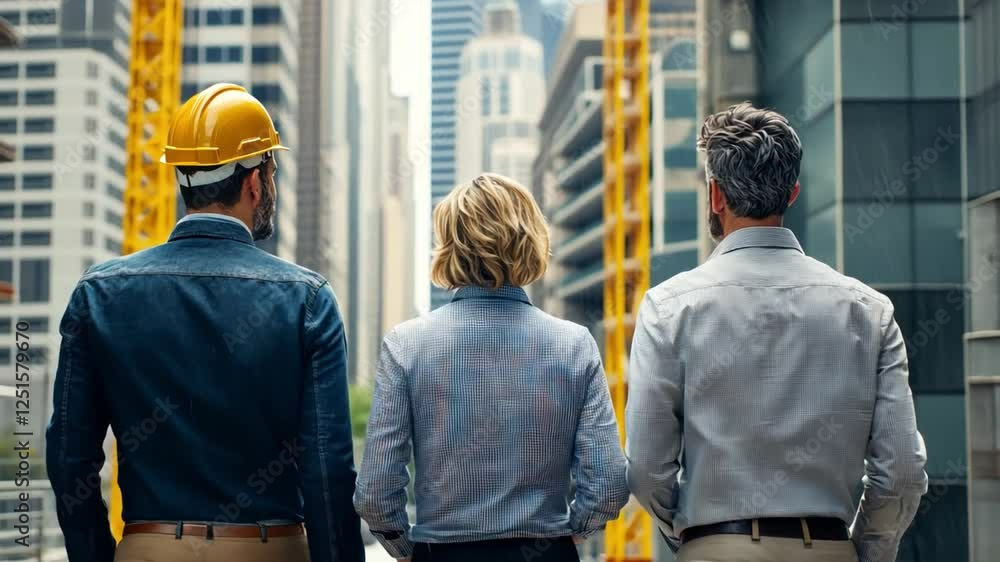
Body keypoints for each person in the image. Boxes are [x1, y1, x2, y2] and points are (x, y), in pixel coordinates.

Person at [45, 83, 364, 562]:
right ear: (255, 182)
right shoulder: (308, 300)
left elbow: (70, 457)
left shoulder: (100, 293)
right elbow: (328, 470)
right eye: (272, 170)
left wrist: (97, 555)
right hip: (269, 551)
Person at [625, 103, 928, 562]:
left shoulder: (668, 309)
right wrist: (863, 548)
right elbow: (902, 471)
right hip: (828, 549)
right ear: (793, 194)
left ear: (715, 197)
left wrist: (695, 535)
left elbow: (647, 470)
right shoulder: (869, 312)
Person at [354, 174, 629, 562]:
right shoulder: (574, 345)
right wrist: (567, 537)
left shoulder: (406, 345)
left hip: (443, 553)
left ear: (449, 245)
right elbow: (609, 485)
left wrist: (411, 550)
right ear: (530, 240)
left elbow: (375, 493)